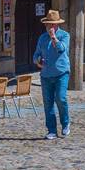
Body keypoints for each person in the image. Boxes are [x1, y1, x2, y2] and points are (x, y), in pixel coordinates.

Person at [34, 9, 71, 140]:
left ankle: (65, 123)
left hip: (61, 73)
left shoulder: (65, 36)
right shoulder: (42, 38)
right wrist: (38, 61)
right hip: (46, 75)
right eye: (47, 24)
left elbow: (62, 50)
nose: (48, 27)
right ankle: (52, 130)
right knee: (48, 102)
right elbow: (36, 54)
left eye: (51, 24)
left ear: (56, 25)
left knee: (60, 98)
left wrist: (54, 37)